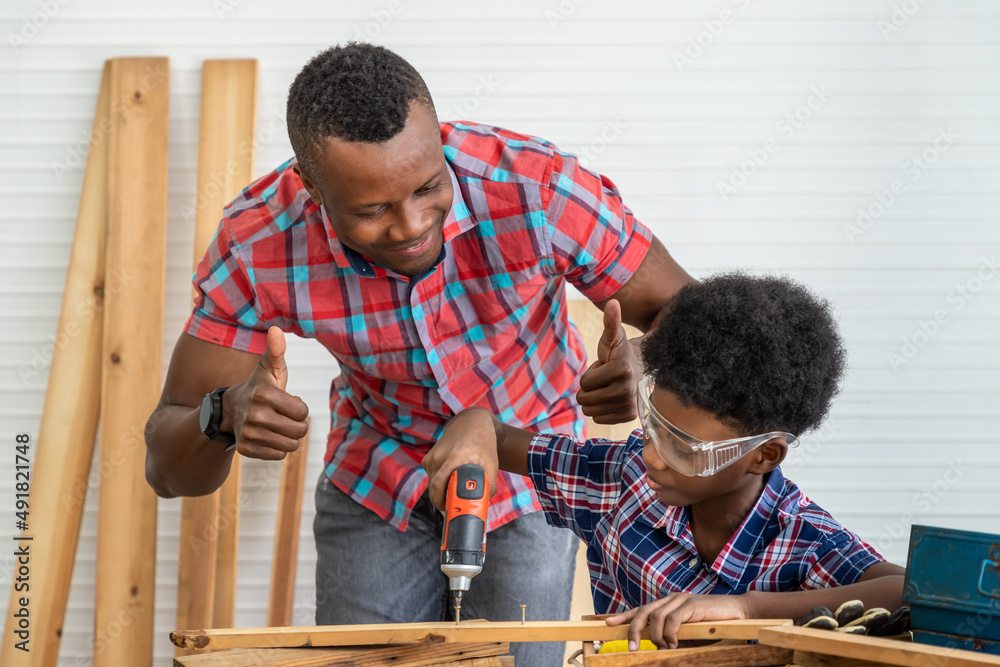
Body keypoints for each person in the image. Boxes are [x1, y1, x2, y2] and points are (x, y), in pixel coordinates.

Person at [143, 42, 692, 666]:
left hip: (528, 474)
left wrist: (650, 368)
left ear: (438, 142)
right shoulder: (259, 242)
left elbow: (695, 315)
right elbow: (168, 470)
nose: (409, 225)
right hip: (376, 476)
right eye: (372, 209)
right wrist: (222, 414)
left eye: (430, 186)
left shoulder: (537, 189)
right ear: (310, 186)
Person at [422, 273, 906, 651]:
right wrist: (475, 424)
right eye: (654, 426)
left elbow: (909, 592)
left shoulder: (802, 543)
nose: (652, 455)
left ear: (763, 455)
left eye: (682, 447)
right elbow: (501, 437)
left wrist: (746, 607)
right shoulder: (624, 482)